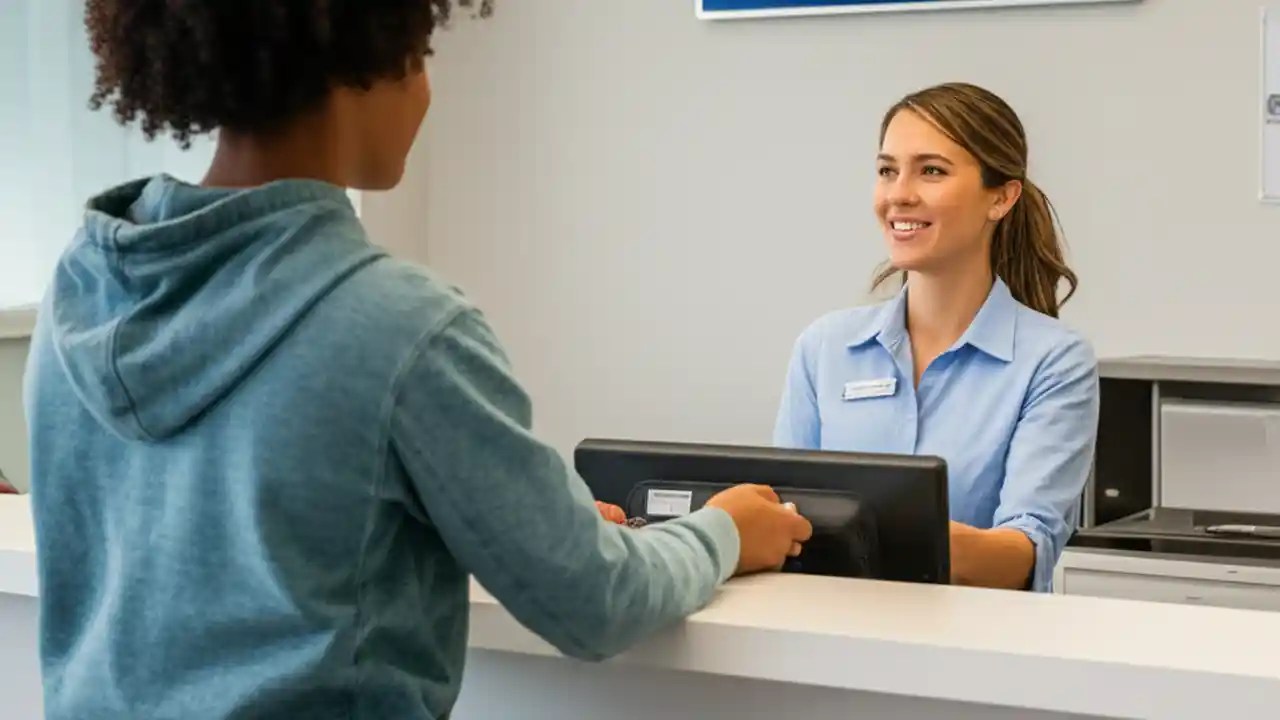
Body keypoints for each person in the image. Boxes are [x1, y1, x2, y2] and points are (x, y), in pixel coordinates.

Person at [24, 2, 813, 718]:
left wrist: (518, 512)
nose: (428, 93)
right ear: (362, 64)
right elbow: (595, 601)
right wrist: (723, 533)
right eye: (420, 53)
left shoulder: (79, 294)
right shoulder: (403, 326)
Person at [773, 82, 1099, 593]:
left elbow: (1023, 554)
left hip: (971, 656)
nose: (898, 194)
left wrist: (869, 530)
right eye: (887, 170)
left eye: (931, 171)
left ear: (1002, 197)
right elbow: (782, 519)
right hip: (829, 644)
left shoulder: (1054, 361)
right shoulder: (824, 348)